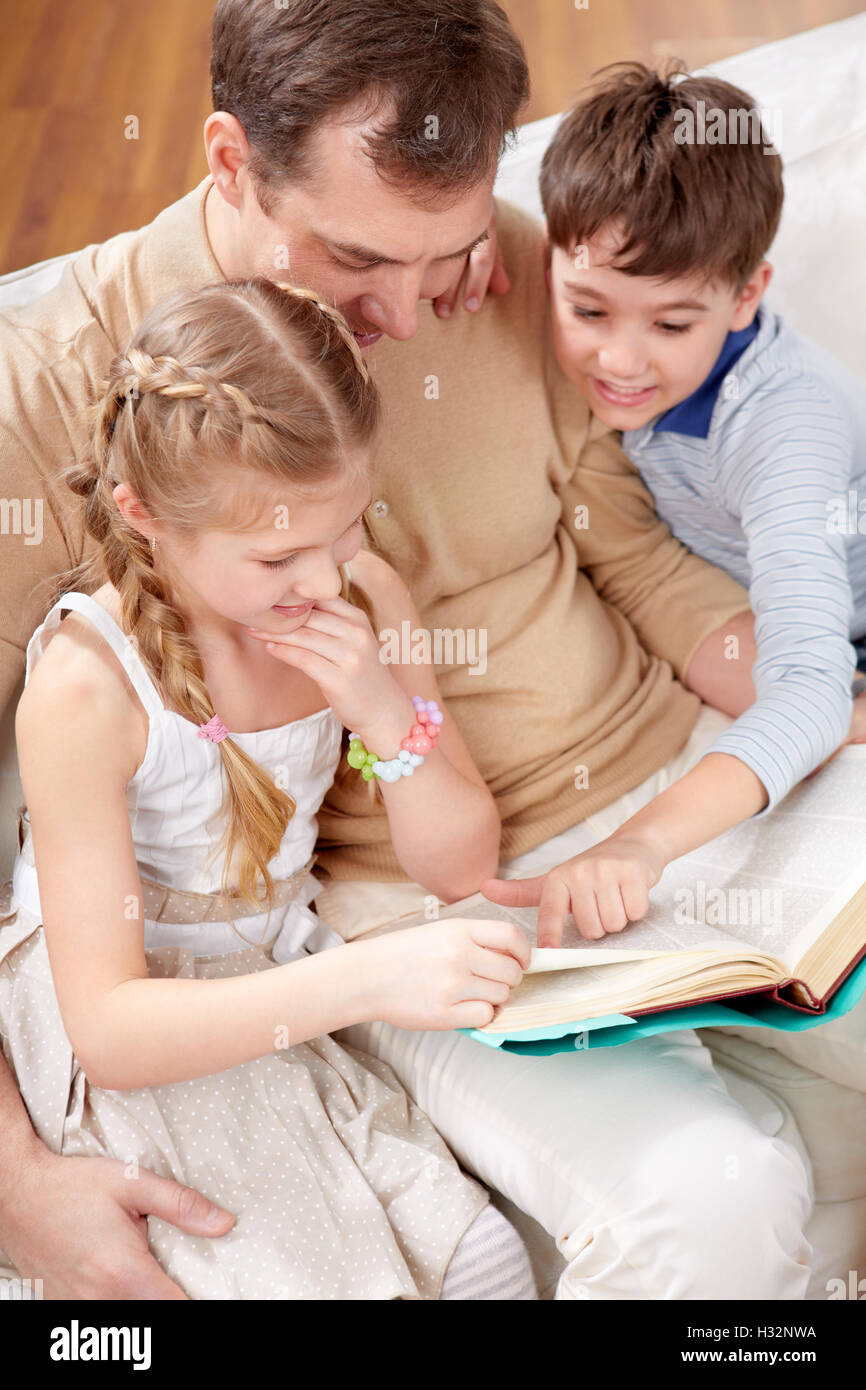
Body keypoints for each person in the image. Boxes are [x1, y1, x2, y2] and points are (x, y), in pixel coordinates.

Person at [0, 0, 822, 1299]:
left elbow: (626, 545)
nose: (411, 309)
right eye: (352, 261)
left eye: (441, 251)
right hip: (428, 914)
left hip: (677, 796)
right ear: (228, 164)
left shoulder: (492, 268)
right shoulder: (56, 388)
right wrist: (14, 1184)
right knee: (715, 1200)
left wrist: (808, 681)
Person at [0, 274, 540, 1300]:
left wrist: (382, 709)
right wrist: (371, 984)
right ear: (145, 516)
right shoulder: (87, 686)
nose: (326, 582)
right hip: (154, 1036)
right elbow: (110, 1030)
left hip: (277, 987)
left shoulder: (364, 596)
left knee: (483, 1259)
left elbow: (460, 857)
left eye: (342, 532)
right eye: (280, 555)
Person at [482, 60, 866, 944]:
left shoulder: (782, 432)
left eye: (670, 325)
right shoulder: (549, 288)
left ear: (746, 298)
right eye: (590, 309)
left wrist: (640, 846)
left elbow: (810, 691)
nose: (620, 362)